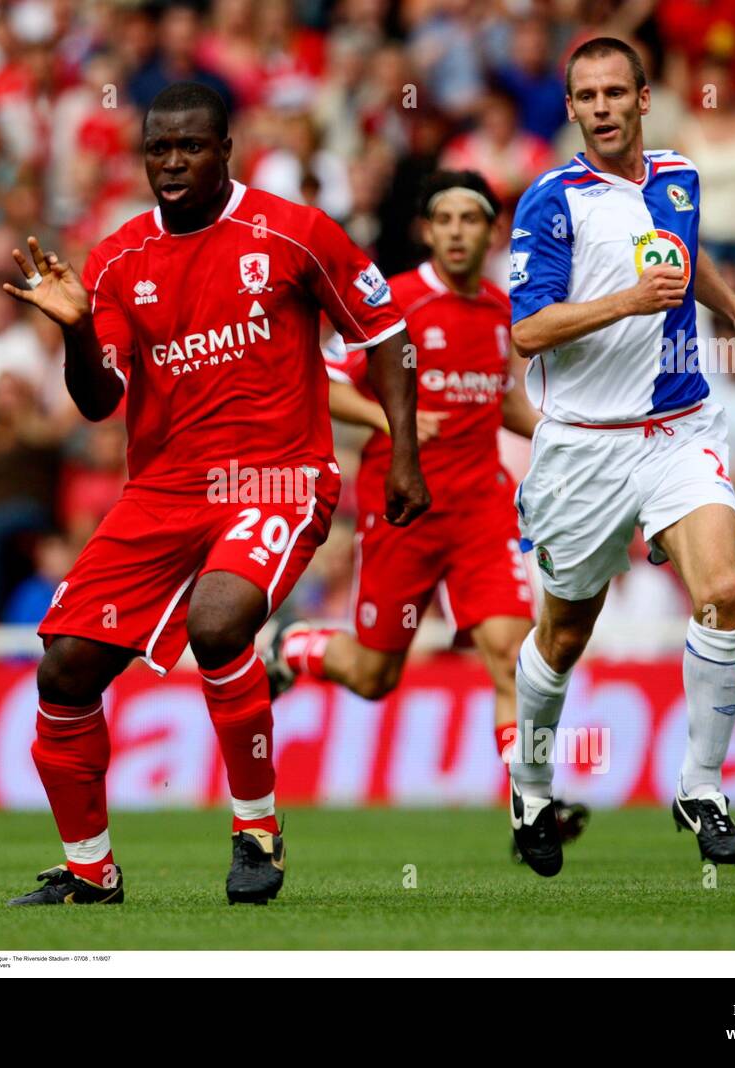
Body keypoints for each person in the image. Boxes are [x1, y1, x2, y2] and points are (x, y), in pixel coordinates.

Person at [0, 81, 428, 906]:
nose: (171, 162)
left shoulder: (293, 231)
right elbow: (98, 401)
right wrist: (79, 329)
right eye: (157, 148)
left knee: (218, 621)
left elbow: (385, 332)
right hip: (162, 489)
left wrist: (402, 451)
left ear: (225, 148)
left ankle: (256, 829)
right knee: (64, 670)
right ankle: (91, 872)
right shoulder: (119, 259)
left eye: (189, 146)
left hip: (279, 475)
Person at [506, 38, 735, 876]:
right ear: (571, 107)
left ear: (642, 98)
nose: (600, 107)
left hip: (678, 425)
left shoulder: (679, 176)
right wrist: (627, 300)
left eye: (613, 92)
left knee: (723, 592)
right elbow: (527, 329)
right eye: (584, 95)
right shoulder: (552, 202)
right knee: (561, 637)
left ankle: (701, 785)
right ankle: (530, 785)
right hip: (583, 448)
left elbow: (683, 259)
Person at [267, 168, 589, 857]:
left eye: (469, 220)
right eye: (443, 220)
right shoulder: (395, 301)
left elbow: (501, 402)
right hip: (403, 514)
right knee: (374, 677)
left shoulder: (504, 312)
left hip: (482, 512)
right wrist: (397, 420)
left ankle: (530, 805)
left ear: (491, 232)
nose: (455, 232)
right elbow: (318, 383)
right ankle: (293, 647)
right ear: (426, 230)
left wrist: (574, 438)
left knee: (513, 655)